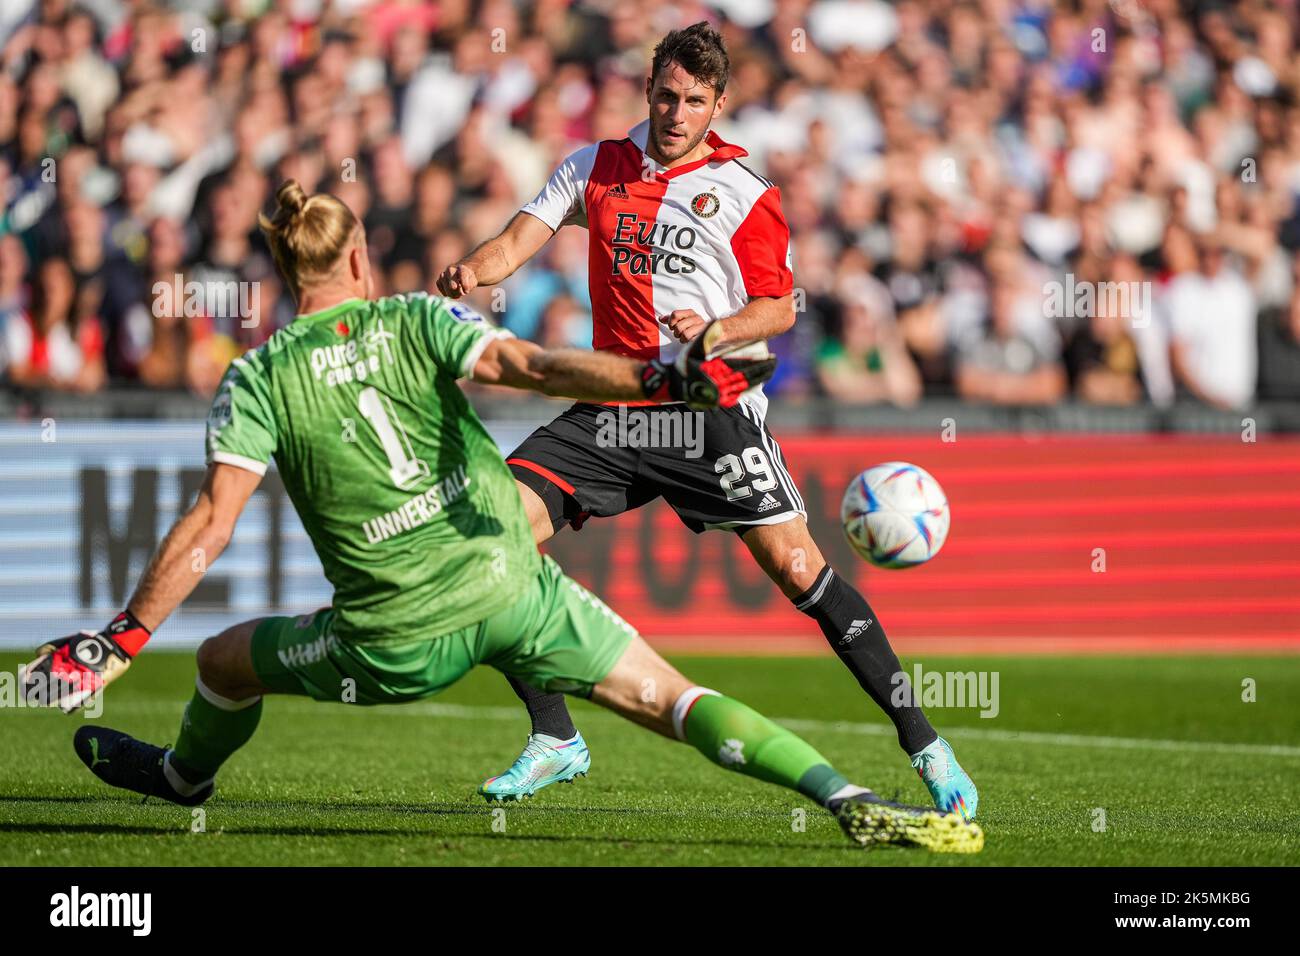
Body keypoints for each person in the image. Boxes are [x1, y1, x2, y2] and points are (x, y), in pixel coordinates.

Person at [21, 180, 983, 855]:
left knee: (222, 662)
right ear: (359, 254)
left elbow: (209, 526)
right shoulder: (420, 319)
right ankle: (838, 793)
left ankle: (187, 780)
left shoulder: (256, 379)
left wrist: (116, 643)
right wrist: (652, 370)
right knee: (671, 699)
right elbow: (528, 361)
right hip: (525, 573)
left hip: (401, 639)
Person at [437, 22, 978, 820]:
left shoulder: (744, 191)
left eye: (693, 100)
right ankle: (555, 735)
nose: (675, 111)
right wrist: (471, 271)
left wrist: (716, 332)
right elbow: (521, 237)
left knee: (801, 572)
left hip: (709, 411)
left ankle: (925, 744)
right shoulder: (595, 167)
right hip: (616, 404)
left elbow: (780, 306)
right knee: (489, 535)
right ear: (647, 90)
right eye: (665, 95)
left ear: (717, 103)